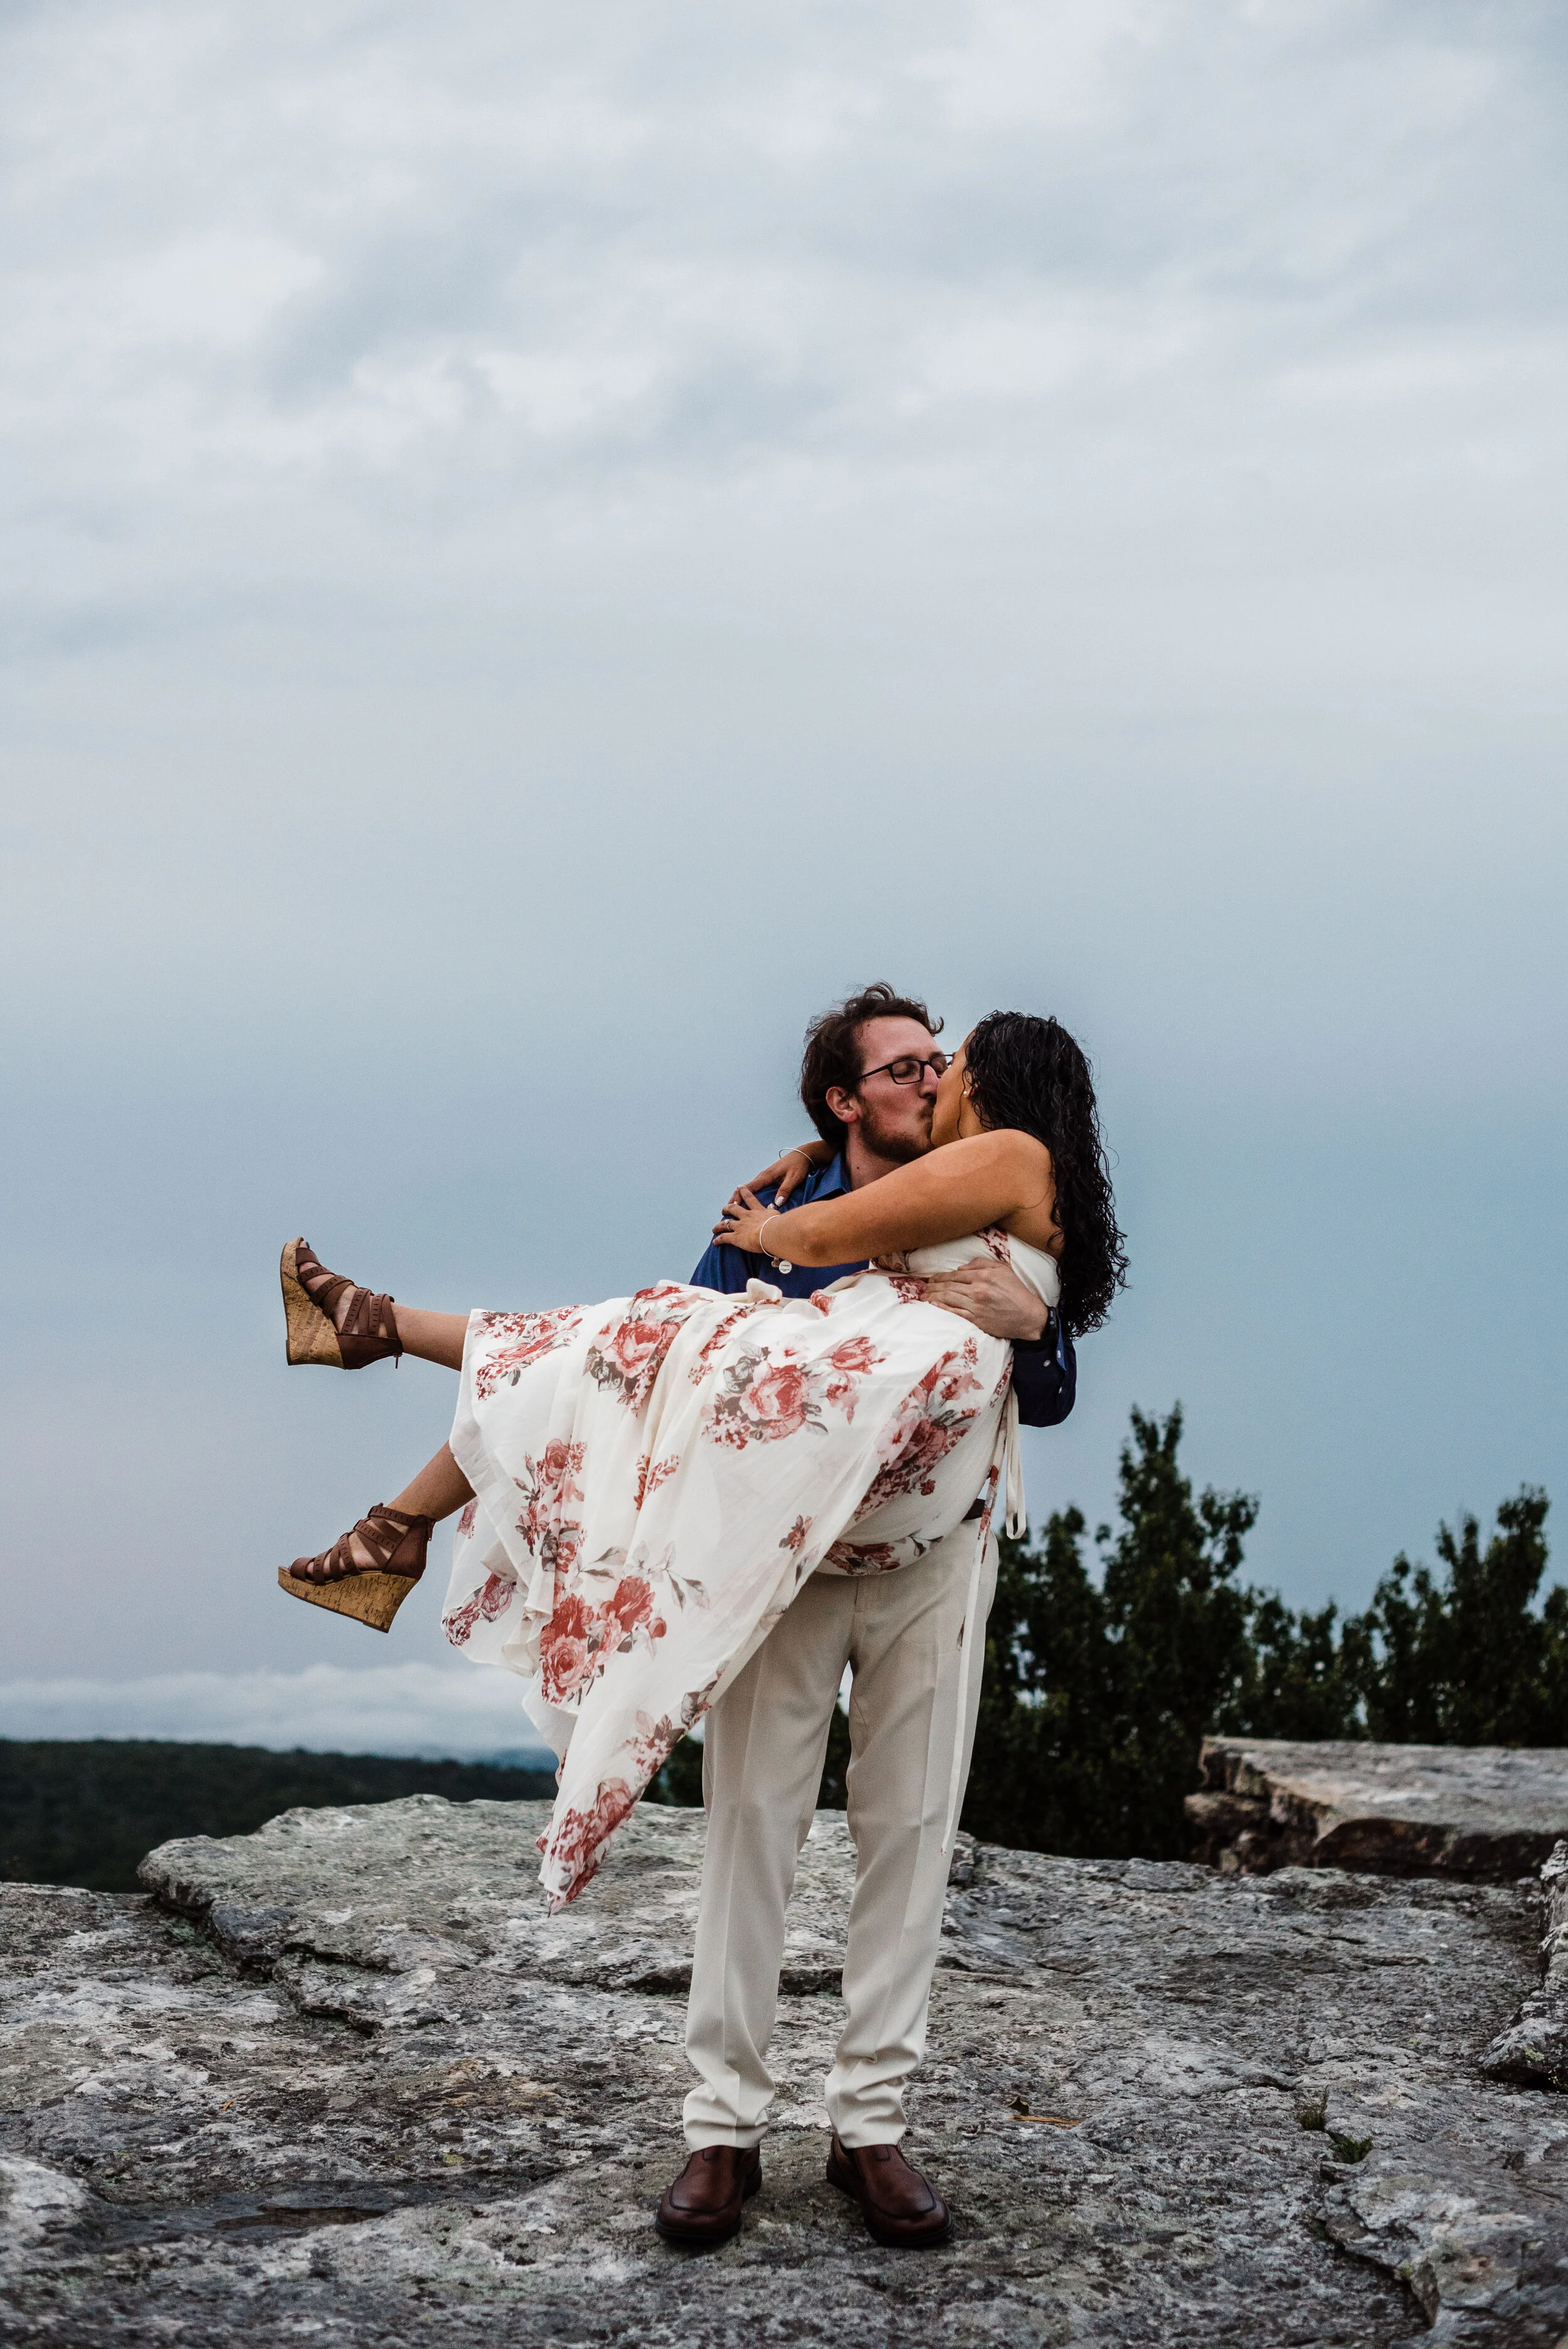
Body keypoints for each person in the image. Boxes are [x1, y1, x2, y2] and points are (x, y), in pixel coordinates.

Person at [275, 1004, 1126, 2251]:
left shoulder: (979, 1190)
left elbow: (1041, 1394)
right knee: (751, 1831)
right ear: (843, 1102)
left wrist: (1019, 1319)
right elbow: (665, 1373)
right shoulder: (801, 1210)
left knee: (908, 1838)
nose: (928, 1077)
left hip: (928, 1565)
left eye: (939, 1064)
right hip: (775, 1561)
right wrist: (777, 1228)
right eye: (904, 1066)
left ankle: (869, 2129)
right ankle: (720, 2131)